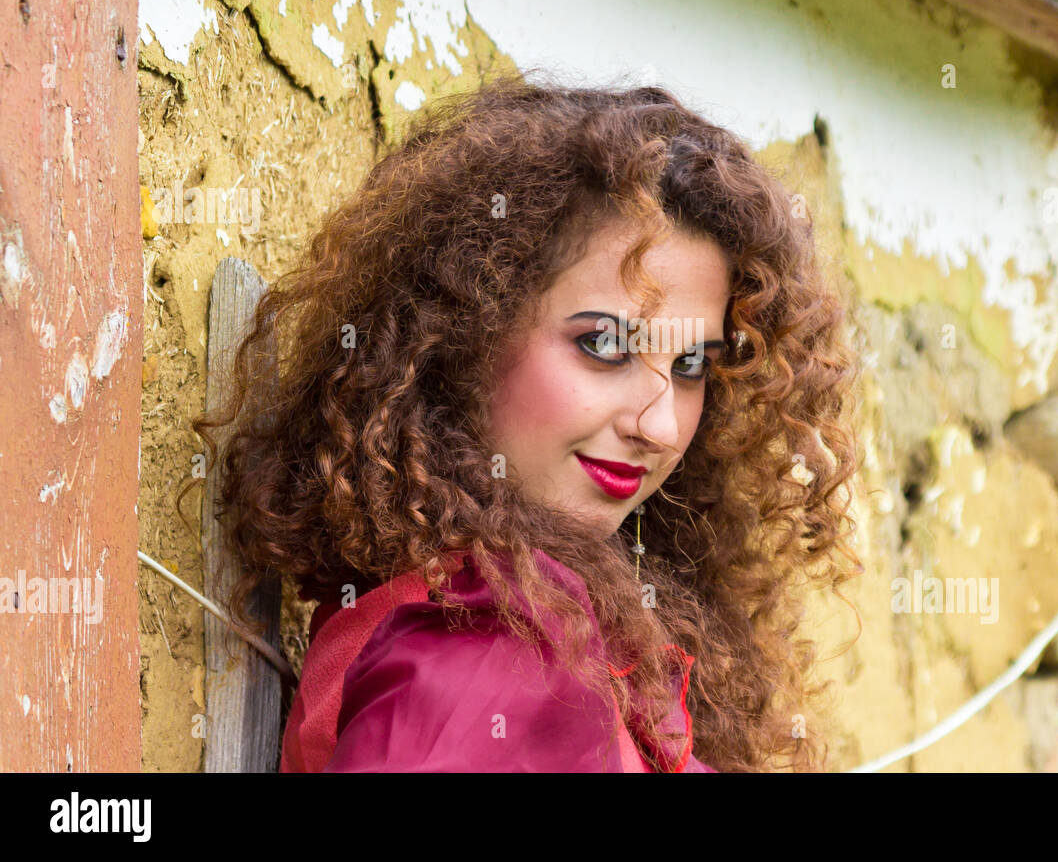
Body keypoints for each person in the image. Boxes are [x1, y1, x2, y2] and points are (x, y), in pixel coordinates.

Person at [194, 70, 863, 772]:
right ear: (465, 334)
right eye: (605, 345)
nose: (660, 426)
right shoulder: (481, 652)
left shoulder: (532, 626)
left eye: (692, 366)